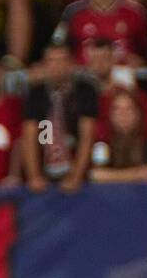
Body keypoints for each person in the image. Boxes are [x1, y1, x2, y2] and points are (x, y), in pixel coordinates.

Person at [20, 41, 96, 192]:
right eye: (51, 61)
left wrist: (76, 176)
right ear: (45, 65)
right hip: (45, 163)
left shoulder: (85, 91)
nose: (56, 66)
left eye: (61, 60)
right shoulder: (36, 93)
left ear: (71, 64)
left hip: (75, 163)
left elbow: (87, 136)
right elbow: (29, 136)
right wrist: (34, 176)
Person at [88, 85, 147, 182]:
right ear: (110, 115)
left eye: (129, 109)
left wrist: (113, 175)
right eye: (117, 109)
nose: (123, 114)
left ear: (138, 115)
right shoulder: (103, 143)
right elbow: (96, 174)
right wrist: (134, 174)